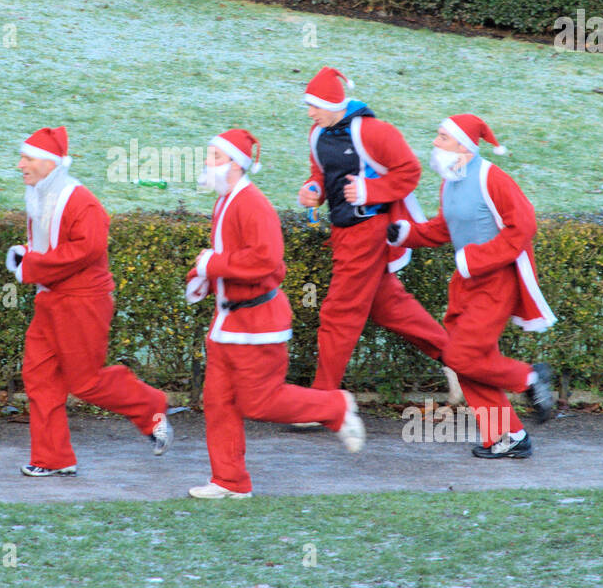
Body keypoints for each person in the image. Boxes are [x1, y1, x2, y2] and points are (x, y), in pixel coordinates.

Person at [186, 129, 365, 499]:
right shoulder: (228, 200)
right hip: (231, 323)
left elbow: (265, 260)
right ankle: (229, 481)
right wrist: (203, 275)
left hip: (256, 323)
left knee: (260, 401)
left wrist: (211, 265)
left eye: (215, 157)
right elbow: (227, 259)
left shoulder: (249, 203)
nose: (207, 163)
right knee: (218, 403)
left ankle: (334, 405)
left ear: (236, 164)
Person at [388, 114, 558, 459]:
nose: (435, 143)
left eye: (442, 137)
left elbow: (523, 225)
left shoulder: (491, 177)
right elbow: (444, 228)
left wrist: (478, 258)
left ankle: (529, 378)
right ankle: (508, 437)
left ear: (464, 146)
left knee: (460, 356)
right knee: (470, 362)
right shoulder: (451, 180)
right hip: (465, 283)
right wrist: (407, 234)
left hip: (496, 282)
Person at [6, 126, 171, 476]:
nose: (20, 164)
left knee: (86, 382)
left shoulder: (80, 200)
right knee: (39, 377)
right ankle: (52, 459)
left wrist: (31, 264)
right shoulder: (43, 191)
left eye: (27, 158)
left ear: (50, 164)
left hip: (82, 302)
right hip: (52, 299)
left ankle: (152, 406)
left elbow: (87, 249)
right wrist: (26, 254)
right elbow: (57, 246)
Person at [297, 68, 454, 410]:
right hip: (344, 234)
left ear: (333, 104)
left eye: (314, 105)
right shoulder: (317, 133)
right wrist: (314, 190)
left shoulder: (374, 131)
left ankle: (322, 403)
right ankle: (464, 364)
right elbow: (322, 175)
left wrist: (370, 190)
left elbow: (409, 171)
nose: (309, 112)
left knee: (339, 313)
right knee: (391, 308)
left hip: (368, 233)